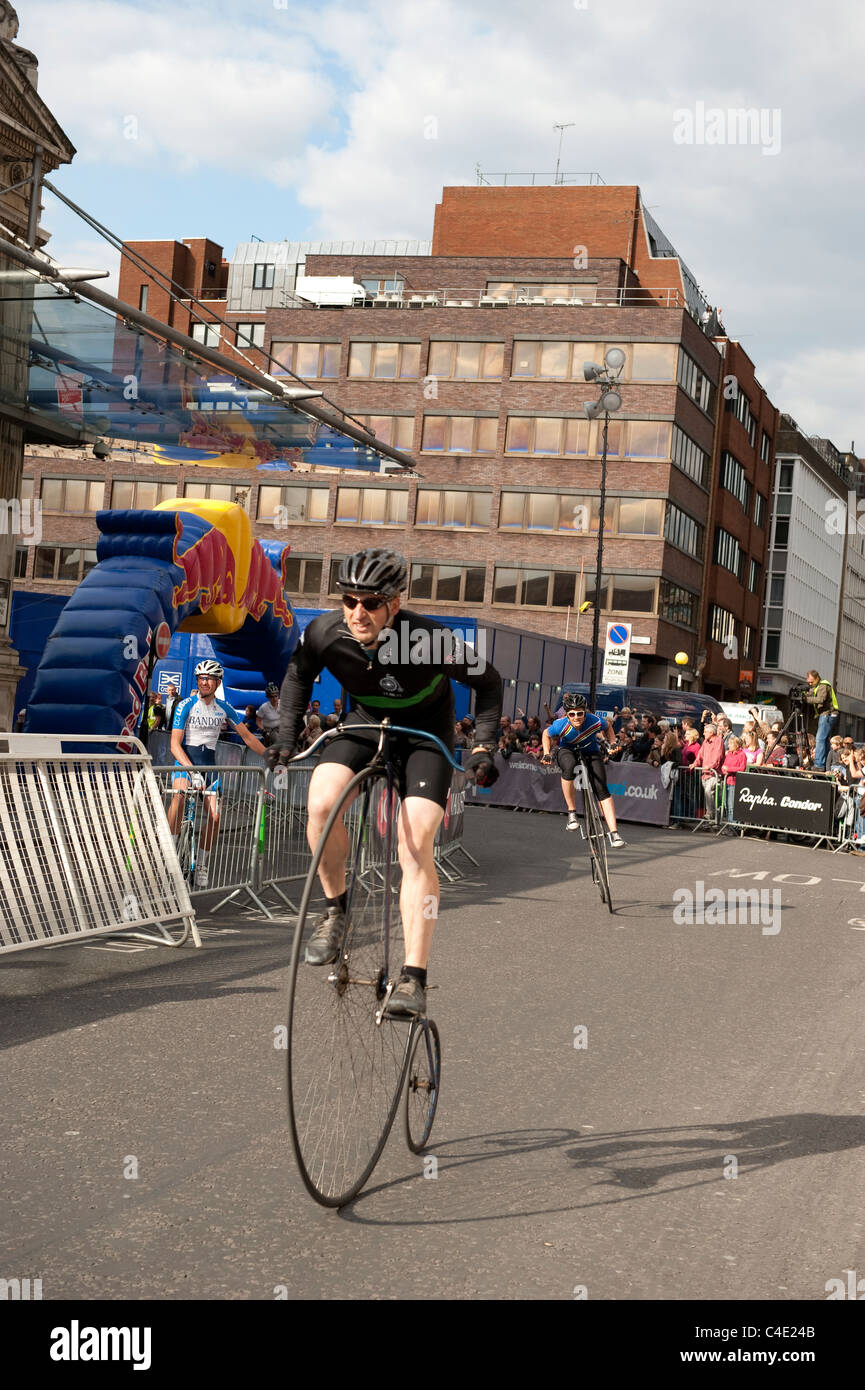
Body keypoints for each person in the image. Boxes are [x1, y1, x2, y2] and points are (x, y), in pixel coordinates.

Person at [269, 548, 502, 1020]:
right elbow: (297, 676)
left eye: (371, 602)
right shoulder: (324, 633)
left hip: (424, 731)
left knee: (414, 840)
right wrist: (286, 738)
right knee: (320, 804)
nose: (358, 613)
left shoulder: (432, 641)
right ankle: (336, 911)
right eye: (349, 600)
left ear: (395, 603)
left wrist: (482, 746)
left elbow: (491, 683)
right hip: (363, 721)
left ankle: (414, 978)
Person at [168, 659, 267, 888]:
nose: (204, 682)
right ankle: (171, 851)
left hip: (209, 766)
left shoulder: (224, 708)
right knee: (179, 796)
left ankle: (202, 863)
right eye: (201, 678)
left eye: (209, 678)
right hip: (185, 762)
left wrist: (270, 755)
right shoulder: (185, 705)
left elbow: (247, 737)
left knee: (214, 817)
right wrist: (191, 771)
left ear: (217, 682)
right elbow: (175, 744)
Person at [540, 692, 626, 846]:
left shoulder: (594, 721)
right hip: (567, 750)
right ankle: (572, 812)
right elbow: (546, 734)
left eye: (580, 713)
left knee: (601, 789)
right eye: (572, 714)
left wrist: (613, 743)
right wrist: (546, 753)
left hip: (590, 750)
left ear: (585, 712)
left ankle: (614, 834)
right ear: (567, 714)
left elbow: (609, 727)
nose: (576, 717)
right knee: (569, 767)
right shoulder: (561, 724)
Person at [803, 669, 839, 769]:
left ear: (817, 678)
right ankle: (827, 764)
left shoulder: (823, 685)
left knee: (820, 739)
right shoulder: (816, 686)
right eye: (808, 681)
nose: (809, 683)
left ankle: (819, 764)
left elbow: (820, 699)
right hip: (826, 714)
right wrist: (803, 693)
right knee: (825, 740)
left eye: (811, 681)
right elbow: (811, 693)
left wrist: (805, 699)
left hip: (828, 714)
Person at [693, 721, 726, 826]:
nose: (703, 733)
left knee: (709, 792)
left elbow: (718, 757)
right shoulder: (705, 742)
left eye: (705, 731)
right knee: (710, 795)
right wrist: (694, 764)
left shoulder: (718, 741)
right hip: (705, 773)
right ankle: (713, 819)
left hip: (714, 773)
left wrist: (711, 767)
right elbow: (700, 755)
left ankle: (710, 814)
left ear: (712, 732)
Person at [721, 737, 747, 821]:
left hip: (734, 782)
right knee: (726, 805)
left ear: (736, 745)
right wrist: (725, 771)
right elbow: (723, 766)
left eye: (730, 744)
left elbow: (742, 768)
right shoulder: (729, 754)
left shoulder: (742, 754)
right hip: (726, 781)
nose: (728, 745)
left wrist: (729, 769)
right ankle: (729, 824)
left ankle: (733, 826)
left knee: (731, 806)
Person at [256, 682, 282, 746]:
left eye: (276, 696)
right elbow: (258, 721)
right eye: (271, 696)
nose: (274, 698)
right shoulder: (264, 707)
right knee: (277, 740)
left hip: (281, 728)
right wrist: (263, 731)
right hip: (269, 730)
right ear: (268, 697)